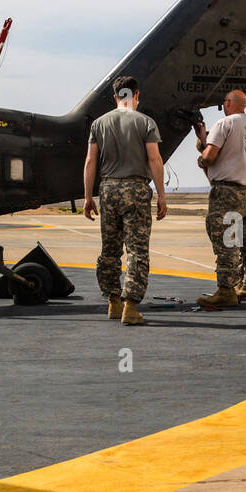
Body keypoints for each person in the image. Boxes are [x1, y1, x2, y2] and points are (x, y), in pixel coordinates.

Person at [83, 76, 167, 325]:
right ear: (137, 95)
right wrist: (161, 195)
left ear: (115, 96)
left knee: (109, 250)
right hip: (136, 189)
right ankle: (131, 306)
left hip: (108, 190)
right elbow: (155, 160)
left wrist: (88, 197)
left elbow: (90, 161)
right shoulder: (145, 123)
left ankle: (113, 301)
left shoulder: (99, 124)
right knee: (137, 249)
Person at [194, 89, 246, 307]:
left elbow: (210, 156)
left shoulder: (225, 124)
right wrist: (204, 139)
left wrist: (202, 159)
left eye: (224, 101)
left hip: (227, 192)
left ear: (229, 102)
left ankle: (226, 290)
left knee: (225, 240)